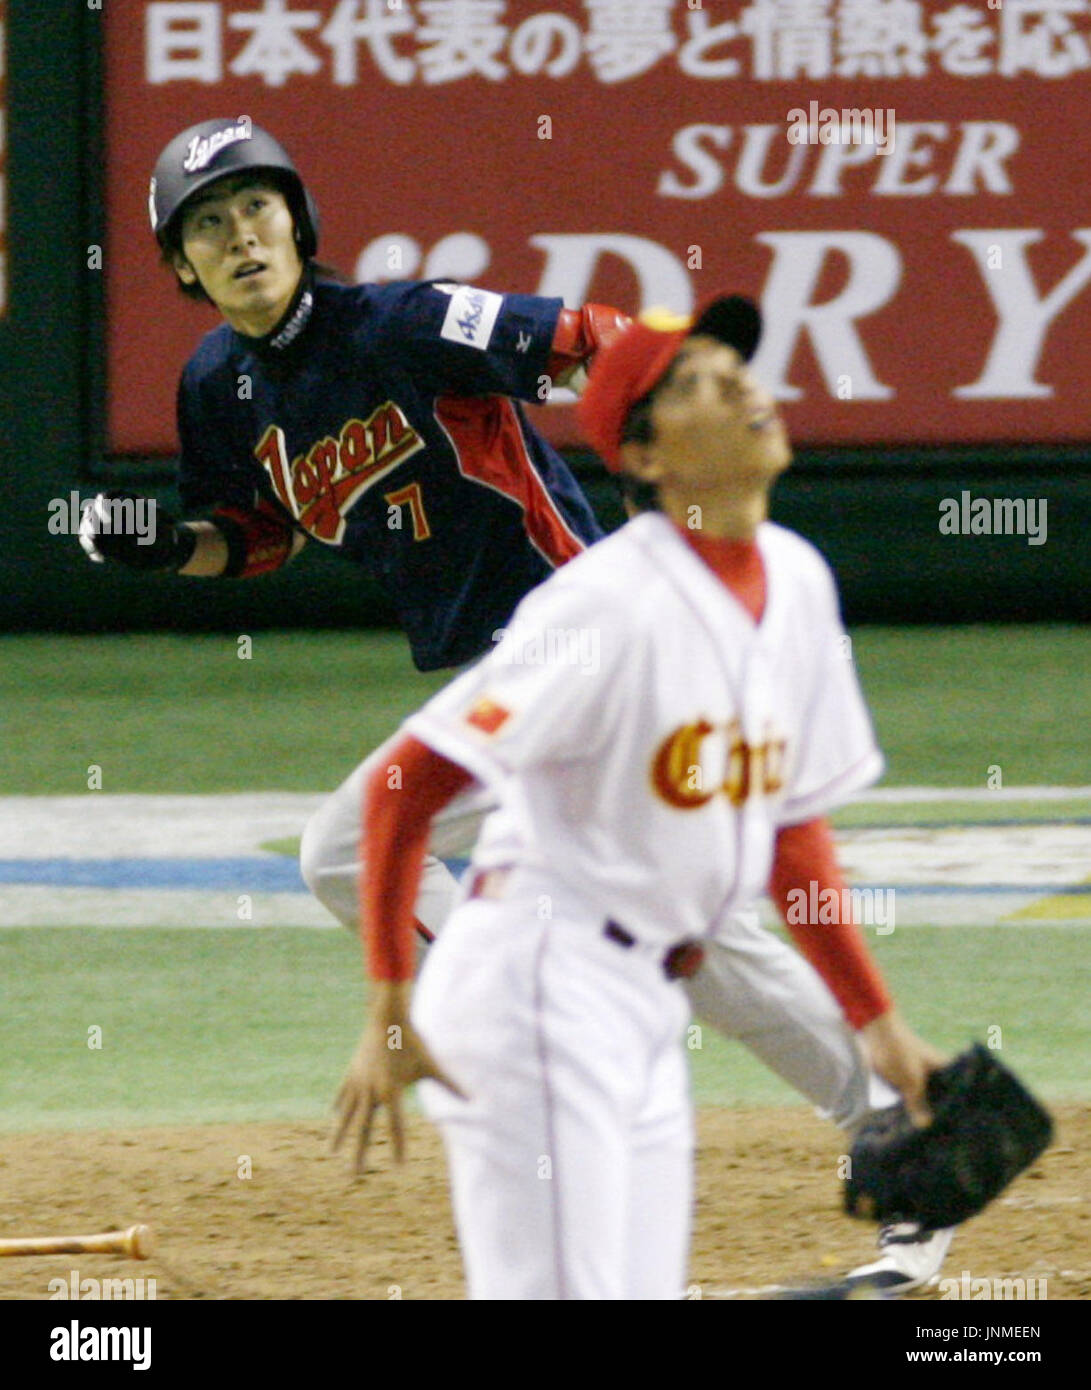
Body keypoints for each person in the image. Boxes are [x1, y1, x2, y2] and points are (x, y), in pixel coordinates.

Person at [81, 120, 950, 1293]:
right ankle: (889, 1131)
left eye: (257, 208)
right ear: (180, 265)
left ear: (299, 223)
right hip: (519, 671)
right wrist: (165, 548)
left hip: (575, 633)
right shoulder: (217, 388)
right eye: (208, 223)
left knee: (357, 847)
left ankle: (518, 1047)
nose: (240, 236)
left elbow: (584, 339)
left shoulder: (400, 322)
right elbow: (258, 539)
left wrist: (672, 397)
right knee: (686, 925)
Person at [331, 298, 951, 1300]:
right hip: (532, 993)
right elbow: (403, 785)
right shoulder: (601, 607)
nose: (749, 387)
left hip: (644, 1008)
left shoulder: (794, 582)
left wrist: (876, 1024)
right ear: (649, 456)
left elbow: (788, 826)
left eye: (737, 370)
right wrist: (390, 1012)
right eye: (705, 382)